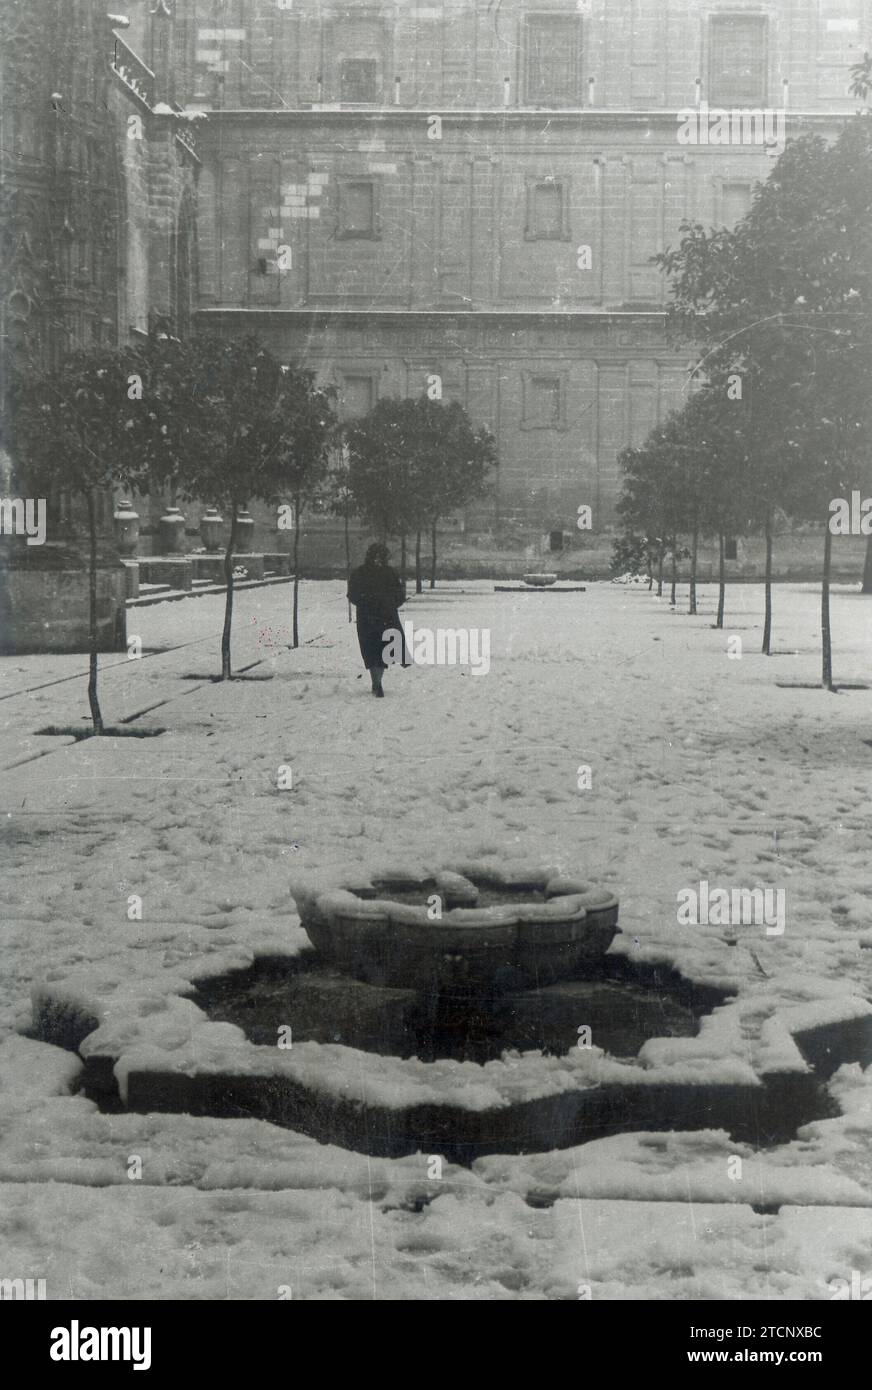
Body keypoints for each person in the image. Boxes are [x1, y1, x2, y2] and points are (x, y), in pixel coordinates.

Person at [347, 542, 408, 696]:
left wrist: (367, 602)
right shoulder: (386, 573)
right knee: (378, 649)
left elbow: (352, 595)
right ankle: (377, 683)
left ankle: (377, 683)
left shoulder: (362, 573)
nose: (378, 560)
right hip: (381, 617)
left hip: (371, 618)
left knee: (374, 650)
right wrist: (386, 603)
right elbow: (400, 595)